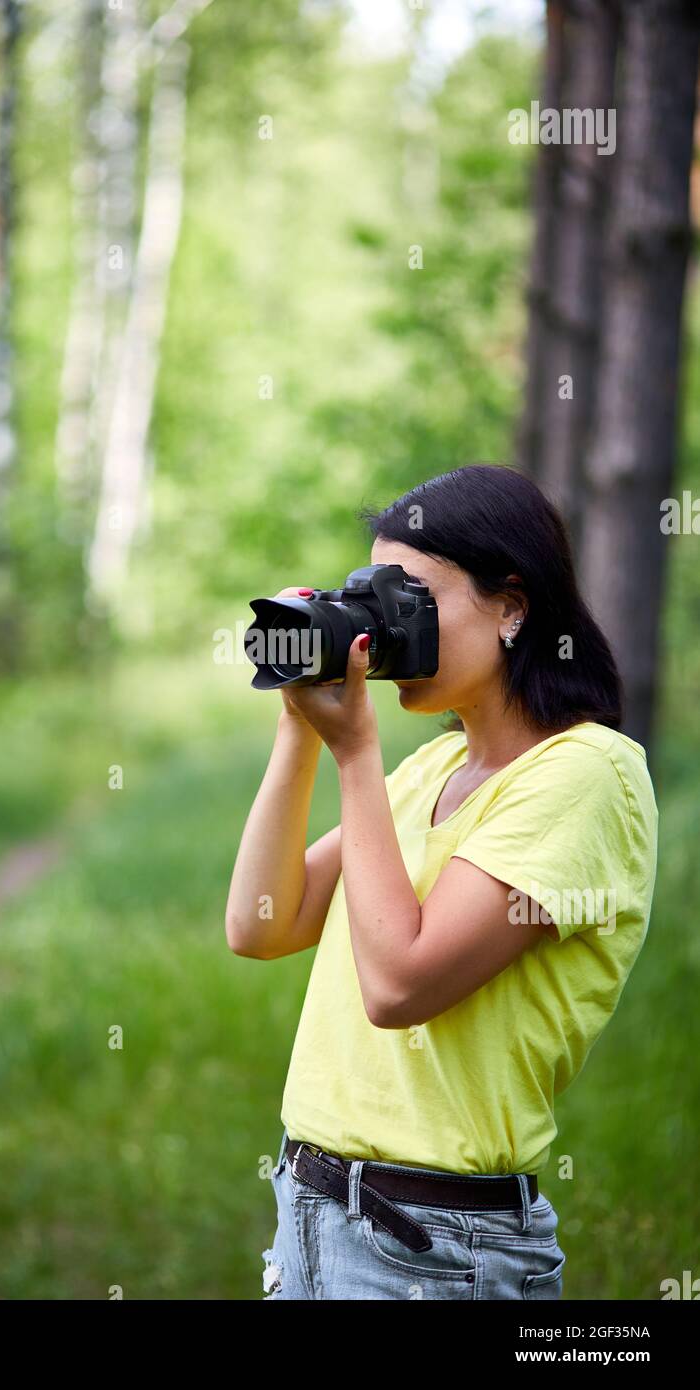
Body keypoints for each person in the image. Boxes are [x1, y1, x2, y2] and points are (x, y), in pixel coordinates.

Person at [225, 463, 659, 1301]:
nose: (387, 627)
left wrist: (354, 751)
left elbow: (397, 984)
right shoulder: (436, 769)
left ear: (512, 605)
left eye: (412, 597)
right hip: (312, 1217)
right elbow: (261, 923)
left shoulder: (587, 775)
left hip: (436, 1253)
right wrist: (299, 726)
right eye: (375, 596)